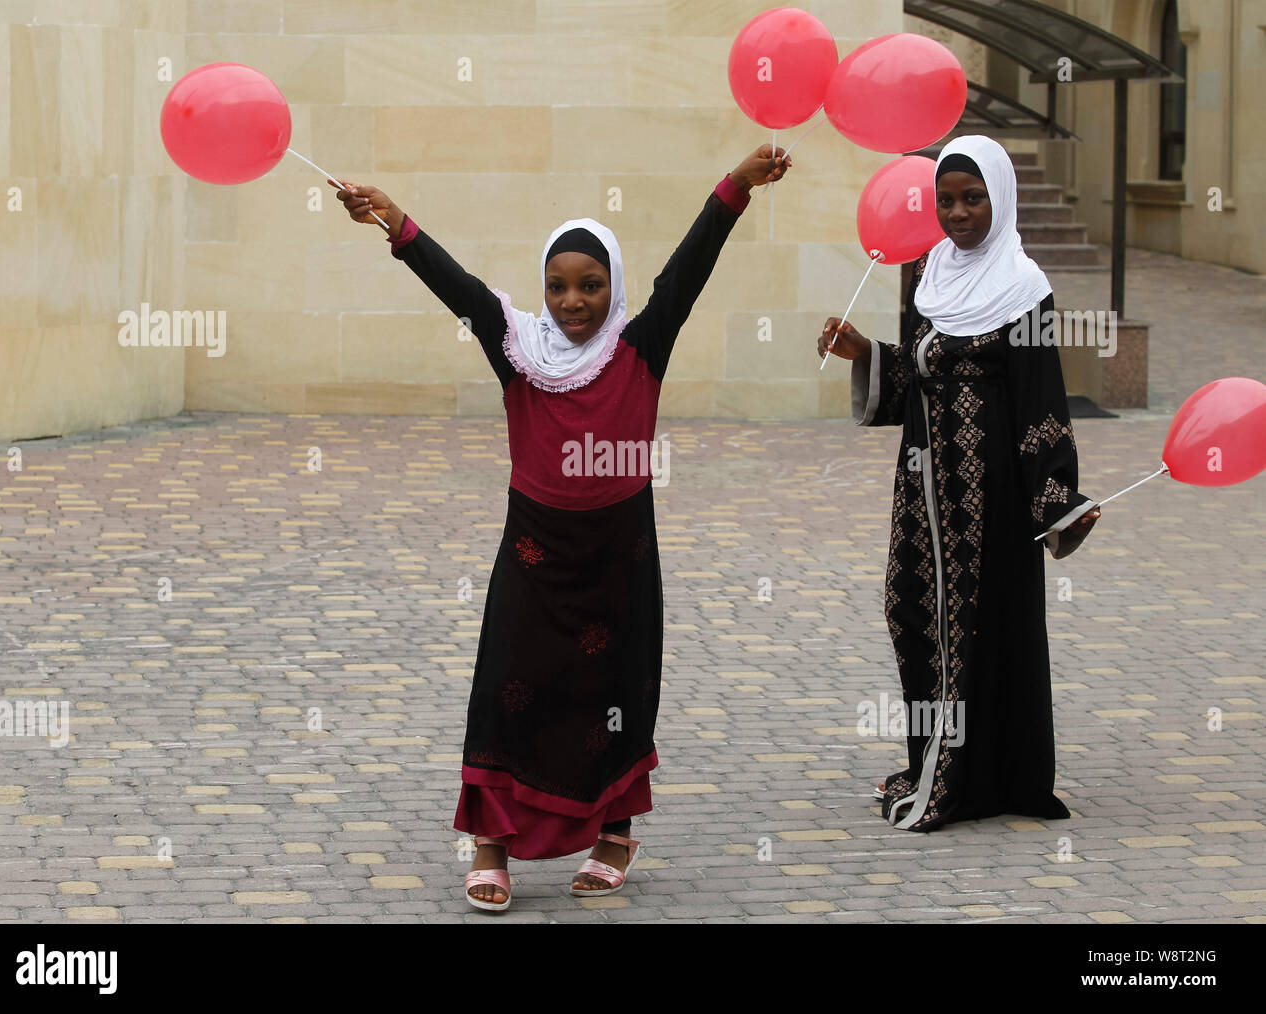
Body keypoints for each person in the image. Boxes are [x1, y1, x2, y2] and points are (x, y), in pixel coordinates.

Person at [336, 144, 791, 908]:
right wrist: (392, 217)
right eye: (557, 286)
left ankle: (615, 832)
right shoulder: (517, 351)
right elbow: (459, 289)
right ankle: (489, 842)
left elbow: (691, 265)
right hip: (534, 555)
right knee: (506, 688)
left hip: (619, 557)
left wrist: (736, 185)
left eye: (589, 285)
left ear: (613, 287)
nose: (572, 301)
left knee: (613, 691)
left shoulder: (641, 346)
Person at [818, 134, 1101, 833]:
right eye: (946, 200)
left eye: (973, 198)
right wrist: (865, 352)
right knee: (909, 608)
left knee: (976, 630)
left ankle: (981, 778)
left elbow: (1043, 403)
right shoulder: (931, 273)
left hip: (992, 503)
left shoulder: (1024, 288)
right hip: (921, 493)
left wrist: (1058, 502)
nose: (958, 213)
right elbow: (918, 374)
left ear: (999, 198)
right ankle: (932, 759)